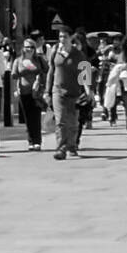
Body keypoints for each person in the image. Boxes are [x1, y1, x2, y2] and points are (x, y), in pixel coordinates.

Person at [44, 27, 86, 159]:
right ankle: (61, 148)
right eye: (60, 37)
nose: (62, 39)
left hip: (74, 91)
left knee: (73, 122)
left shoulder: (78, 54)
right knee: (61, 121)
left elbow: (85, 73)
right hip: (58, 91)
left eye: (65, 37)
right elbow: (51, 72)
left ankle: (72, 146)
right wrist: (47, 90)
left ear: (70, 37)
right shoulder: (55, 51)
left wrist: (89, 91)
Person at [11, 38, 47, 150]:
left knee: (35, 117)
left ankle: (37, 141)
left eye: (32, 47)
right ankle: (31, 141)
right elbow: (14, 75)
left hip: (36, 93)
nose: (29, 49)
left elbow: (47, 70)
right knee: (27, 119)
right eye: (27, 47)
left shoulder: (39, 60)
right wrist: (16, 87)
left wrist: (39, 79)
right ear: (23, 48)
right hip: (24, 92)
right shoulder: (18, 61)